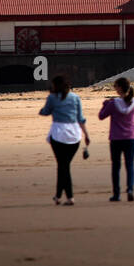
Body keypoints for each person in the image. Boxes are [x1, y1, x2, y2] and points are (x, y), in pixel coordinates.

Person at [39, 75, 89, 205]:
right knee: (63, 166)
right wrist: (87, 135)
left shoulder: (52, 98)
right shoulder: (75, 97)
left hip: (59, 134)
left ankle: (70, 197)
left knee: (63, 166)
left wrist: (43, 109)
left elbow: (45, 112)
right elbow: (80, 118)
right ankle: (58, 195)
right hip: (74, 134)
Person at [98, 77, 134, 202]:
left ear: (120, 88)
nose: (114, 88)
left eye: (115, 86)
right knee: (130, 165)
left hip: (116, 138)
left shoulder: (113, 103)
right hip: (130, 137)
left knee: (116, 167)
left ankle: (117, 193)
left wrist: (105, 105)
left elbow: (101, 116)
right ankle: (130, 189)